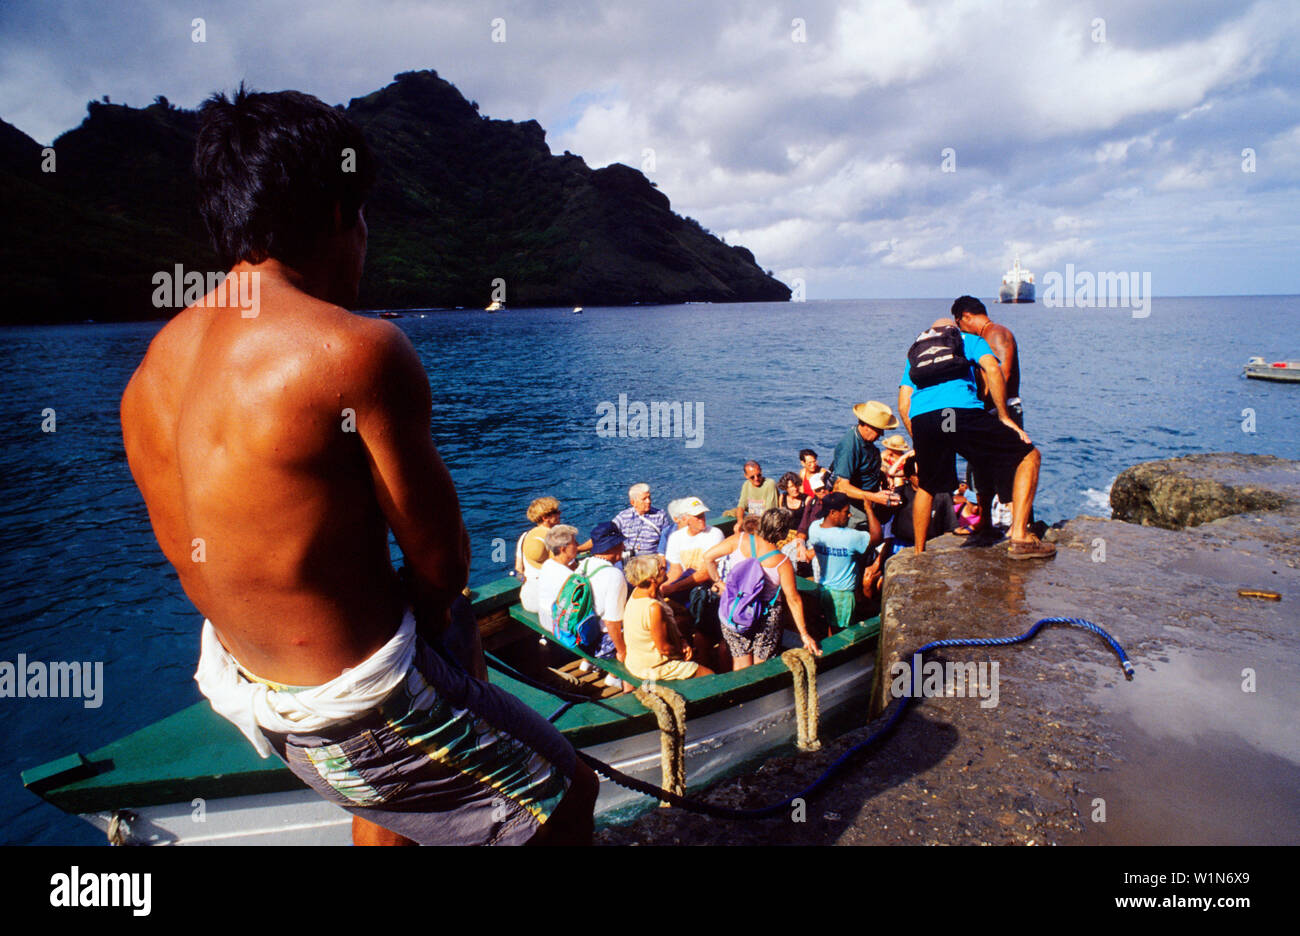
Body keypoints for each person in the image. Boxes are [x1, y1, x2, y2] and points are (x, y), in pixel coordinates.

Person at [121, 86, 595, 845]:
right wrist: (426, 624)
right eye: (364, 215)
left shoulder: (151, 374)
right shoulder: (352, 349)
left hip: (253, 696)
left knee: (429, 683)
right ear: (341, 212)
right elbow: (442, 562)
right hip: (362, 713)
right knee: (568, 794)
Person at [897, 309, 1054, 559]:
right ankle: (1020, 536)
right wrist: (1003, 416)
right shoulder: (967, 339)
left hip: (924, 418)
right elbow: (993, 369)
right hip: (957, 411)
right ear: (953, 329)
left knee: (926, 486)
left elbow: (903, 403)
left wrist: (919, 439)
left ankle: (918, 554)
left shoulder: (916, 354)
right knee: (1028, 456)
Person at [951, 295, 1031, 534]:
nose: (961, 331)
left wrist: (985, 405)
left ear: (966, 317)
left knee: (1010, 465)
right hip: (987, 410)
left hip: (1002, 410)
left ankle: (1020, 525)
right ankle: (984, 520)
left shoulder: (996, 333)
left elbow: (1002, 374)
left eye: (959, 325)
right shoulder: (984, 337)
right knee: (979, 466)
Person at [704, 507, 820, 669]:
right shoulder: (782, 562)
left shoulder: (739, 539)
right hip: (765, 616)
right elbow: (793, 599)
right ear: (783, 533)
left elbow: (708, 557)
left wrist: (718, 582)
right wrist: (804, 634)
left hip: (734, 607)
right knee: (761, 666)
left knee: (740, 663)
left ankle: (742, 685)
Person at [621, 556, 716, 681]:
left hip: (637, 660)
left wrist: (682, 641)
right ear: (651, 579)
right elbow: (664, 649)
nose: (665, 567)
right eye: (660, 568)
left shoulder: (642, 592)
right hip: (653, 667)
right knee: (710, 676)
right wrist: (682, 653)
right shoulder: (653, 607)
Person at [806, 492, 879, 633]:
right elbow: (877, 536)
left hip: (824, 589)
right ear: (833, 513)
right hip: (843, 595)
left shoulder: (814, 528)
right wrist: (869, 509)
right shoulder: (850, 537)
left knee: (830, 627)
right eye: (846, 511)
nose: (849, 515)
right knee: (841, 634)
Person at [830, 402, 902, 532]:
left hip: (866, 504)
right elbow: (842, 487)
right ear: (867, 426)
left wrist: (882, 478)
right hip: (854, 511)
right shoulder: (849, 447)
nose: (882, 435)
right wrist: (875, 497)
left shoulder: (866, 442)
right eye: (879, 430)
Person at [574, 522, 628, 671]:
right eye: (621, 543)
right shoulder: (614, 575)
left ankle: (586, 663)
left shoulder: (584, 564)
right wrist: (622, 651)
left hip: (580, 637)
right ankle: (616, 678)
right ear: (613, 546)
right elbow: (611, 622)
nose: (624, 546)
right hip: (599, 642)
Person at [516, 496, 560, 612]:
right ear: (545, 518)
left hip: (528, 600)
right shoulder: (555, 536)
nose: (560, 513)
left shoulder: (524, 536)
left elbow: (518, 569)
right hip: (550, 603)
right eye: (556, 512)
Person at [537, 524, 580, 633]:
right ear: (563, 549)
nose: (578, 544)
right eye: (574, 542)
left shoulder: (547, 564)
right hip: (557, 624)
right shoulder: (568, 577)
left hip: (544, 618)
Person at [612, 483, 671, 557]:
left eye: (649, 497)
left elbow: (667, 539)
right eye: (644, 499)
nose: (648, 501)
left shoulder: (660, 516)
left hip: (652, 558)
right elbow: (608, 532)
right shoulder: (623, 516)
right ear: (633, 502)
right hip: (629, 558)